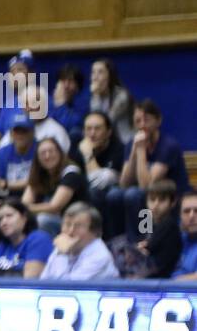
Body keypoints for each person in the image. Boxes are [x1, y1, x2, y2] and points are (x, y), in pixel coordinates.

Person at [108, 100, 191, 242]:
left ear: (158, 121)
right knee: (114, 195)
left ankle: (142, 239)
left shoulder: (168, 146)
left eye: (146, 120)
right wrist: (134, 151)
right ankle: (117, 240)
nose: (142, 125)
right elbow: (124, 183)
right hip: (151, 198)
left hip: (171, 200)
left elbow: (147, 187)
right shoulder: (132, 144)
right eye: (137, 121)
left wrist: (140, 151)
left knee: (135, 195)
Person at [23, 137, 88, 235]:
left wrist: (26, 209)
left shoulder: (71, 172)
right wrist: (23, 208)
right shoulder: (38, 173)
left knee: (43, 220)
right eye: (43, 153)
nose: (47, 156)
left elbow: (55, 206)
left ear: (60, 153)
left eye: (51, 151)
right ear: (37, 158)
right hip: (54, 218)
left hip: (75, 220)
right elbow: (25, 202)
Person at [41, 203, 119, 281]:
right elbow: (43, 281)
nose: (70, 231)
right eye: (67, 224)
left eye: (78, 226)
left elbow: (65, 288)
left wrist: (62, 254)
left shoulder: (99, 255)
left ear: (94, 232)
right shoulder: (63, 247)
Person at [0, 197, 53, 278]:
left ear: (24, 217)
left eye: (9, 216)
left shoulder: (39, 239)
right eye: (0, 219)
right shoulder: (3, 246)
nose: (3, 222)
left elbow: (30, 280)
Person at [170, 191, 197, 281]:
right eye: (186, 211)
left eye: (196, 211)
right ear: (180, 216)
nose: (191, 216)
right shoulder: (174, 239)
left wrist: (169, 283)